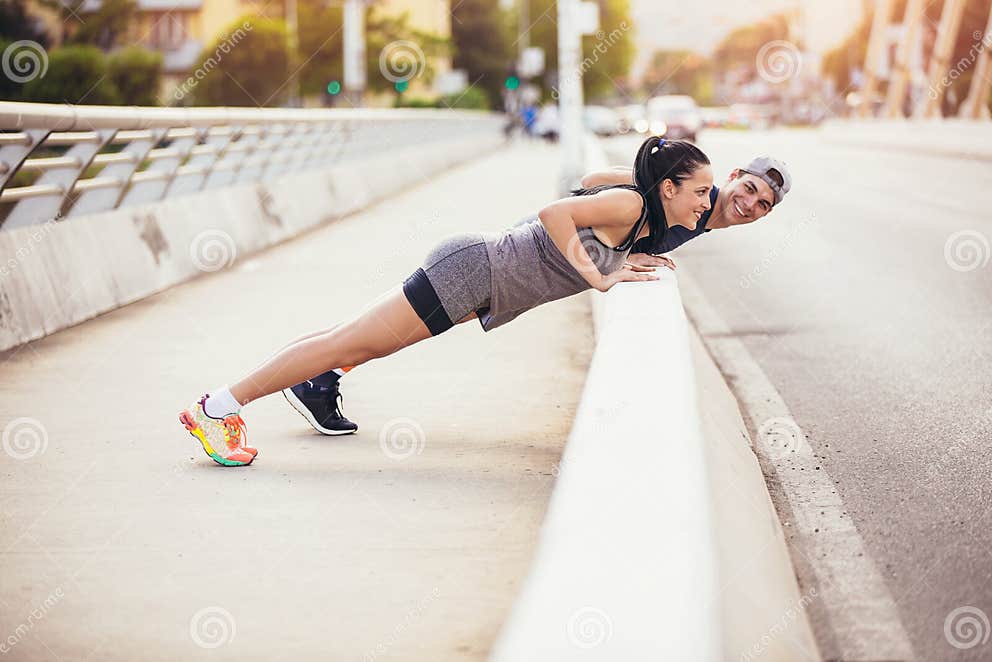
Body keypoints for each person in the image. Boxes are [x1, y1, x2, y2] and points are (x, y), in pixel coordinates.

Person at [177, 138, 760, 467]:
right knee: (346, 342)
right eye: (702, 191)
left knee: (348, 340)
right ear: (669, 189)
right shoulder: (632, 209)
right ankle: (215, 408)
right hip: (473, 271)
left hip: (478, 276)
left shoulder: (639, 212)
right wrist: (600, 277)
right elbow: (557, 212)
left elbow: (587, 188)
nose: (708, 202)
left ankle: (246, 398)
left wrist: (617, 256)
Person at [282, 153, 793, 438]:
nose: (748, 203)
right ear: (733, 177)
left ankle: (323, 372)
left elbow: (629, 232)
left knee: (405, 328)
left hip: (531, 271)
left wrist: (622, 256)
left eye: (762, 204)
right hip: (530, 257)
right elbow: (591, 184)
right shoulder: (685, 192)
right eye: (748, 189)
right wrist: (604, 266)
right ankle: (317, 368)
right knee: (390, 328)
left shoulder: (699, 217)